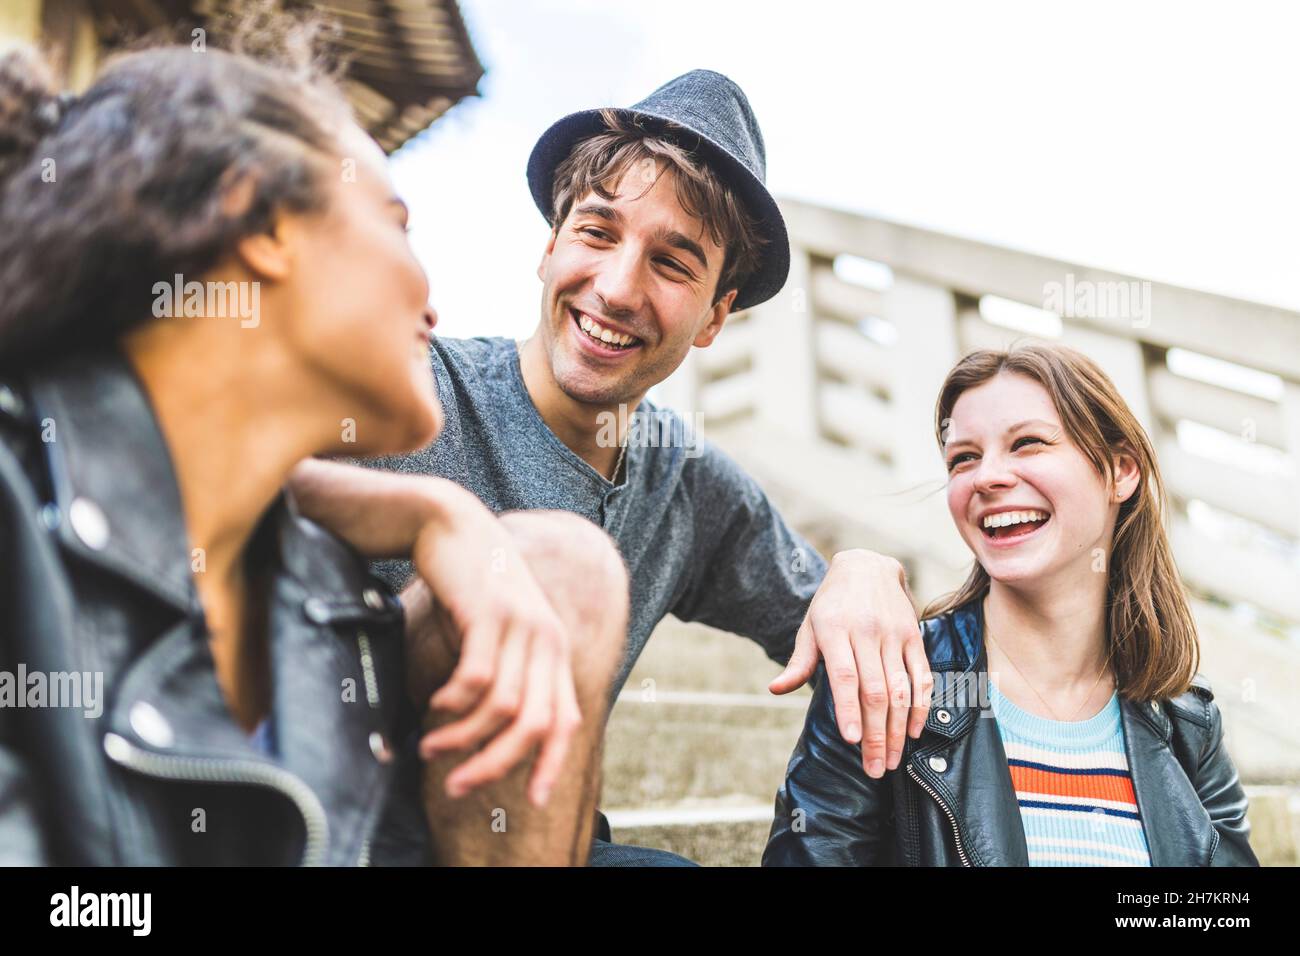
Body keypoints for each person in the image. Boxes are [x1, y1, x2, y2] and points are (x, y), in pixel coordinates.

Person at [0, 16, 625, 866]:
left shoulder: (315, 593)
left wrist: (435, 511)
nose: (431, 300)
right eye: (397, 221)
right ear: (255, 217)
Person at [291, 69, 934, 865]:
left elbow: (850, 642)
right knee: (555, 562)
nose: (619, 288)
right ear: (549, 246)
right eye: (597, 233)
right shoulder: (410, 394)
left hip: (544, 837)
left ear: (714, 317)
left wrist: (865, 570)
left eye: (673, 264)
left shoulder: (685, 482)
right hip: (334, 819)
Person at [763, 345, 1258, 866]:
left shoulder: (1188, 723)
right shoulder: (891, 676)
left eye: (1027, 444)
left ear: (1120, 471)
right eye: (964, 458)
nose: (986, 477)